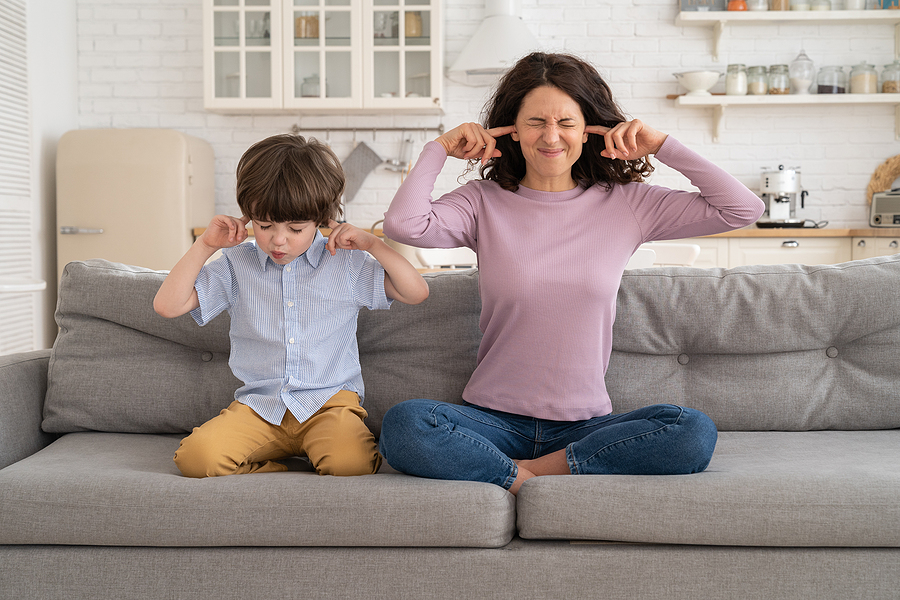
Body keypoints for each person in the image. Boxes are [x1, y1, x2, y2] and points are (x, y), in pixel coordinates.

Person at [378, 52, 765, 495]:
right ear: (511, 130)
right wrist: (439, 149)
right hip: (491, 420)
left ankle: (522, 475)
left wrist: (662, 146)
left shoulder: (627, 203)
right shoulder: (481, 201)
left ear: (588, 129)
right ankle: (538, 474)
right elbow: (404, 225)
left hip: (584, 427)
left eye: (565, 122)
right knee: (406, 424)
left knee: (691, 430)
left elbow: (743, 209)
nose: (550, 136)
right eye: (535, 122)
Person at [154, 134, 429, 478]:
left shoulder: (345, 263)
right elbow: (167, 305)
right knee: (196, 460)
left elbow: (416, 292)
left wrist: (374, 244)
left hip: (328, 404)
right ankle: (280, 464)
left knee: (351, 464)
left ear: (321, 219)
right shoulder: (236, 265)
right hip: (259, 407)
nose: (278, 240)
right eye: (264, 225)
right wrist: (205, 246)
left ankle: (314, 454)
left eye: (296, 228)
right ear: (248, 215)